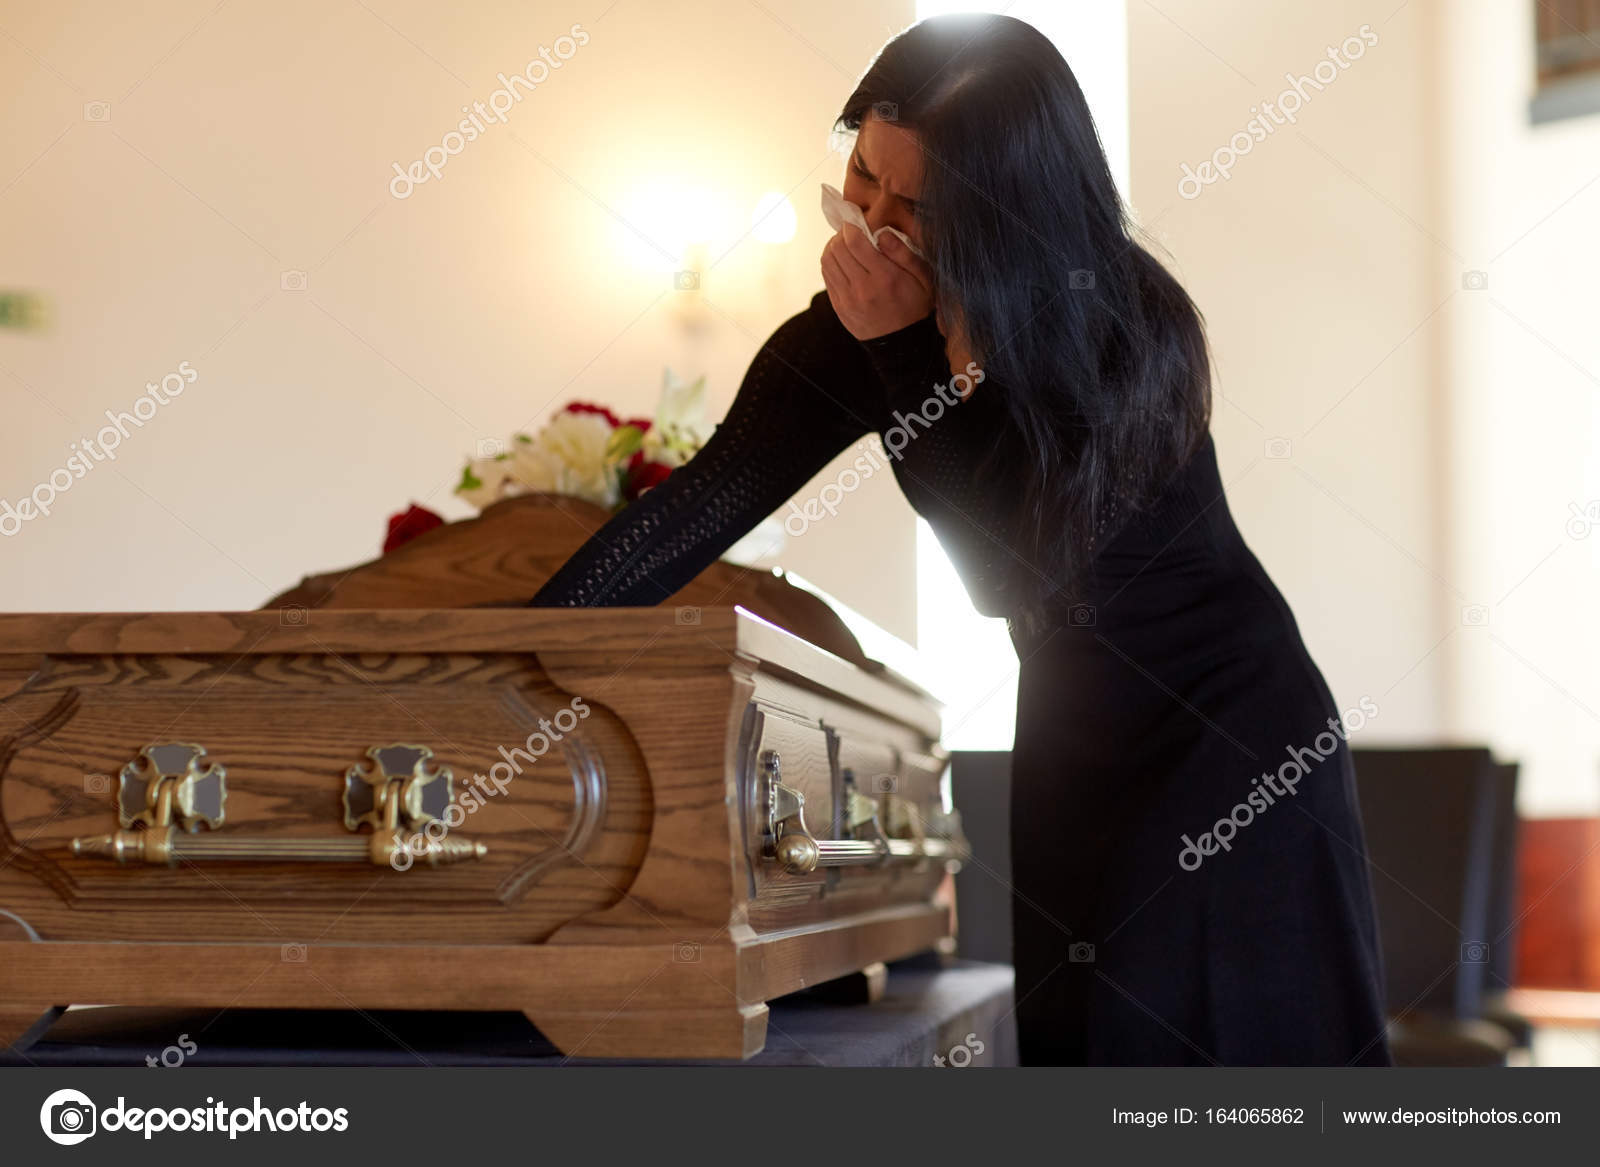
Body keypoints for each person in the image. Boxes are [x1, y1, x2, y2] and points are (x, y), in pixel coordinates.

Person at [530, 13, 1390, 1066]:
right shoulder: (852, 323)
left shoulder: (1127, 324)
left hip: (1229, 731)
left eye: (916, 206)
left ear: (1005, 209)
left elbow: (1014, 570)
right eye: (861, 178)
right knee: (1091, 1049)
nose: (873, 223)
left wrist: (900, 353)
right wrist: (504, 663)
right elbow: (695, 511)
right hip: (1074, 729)